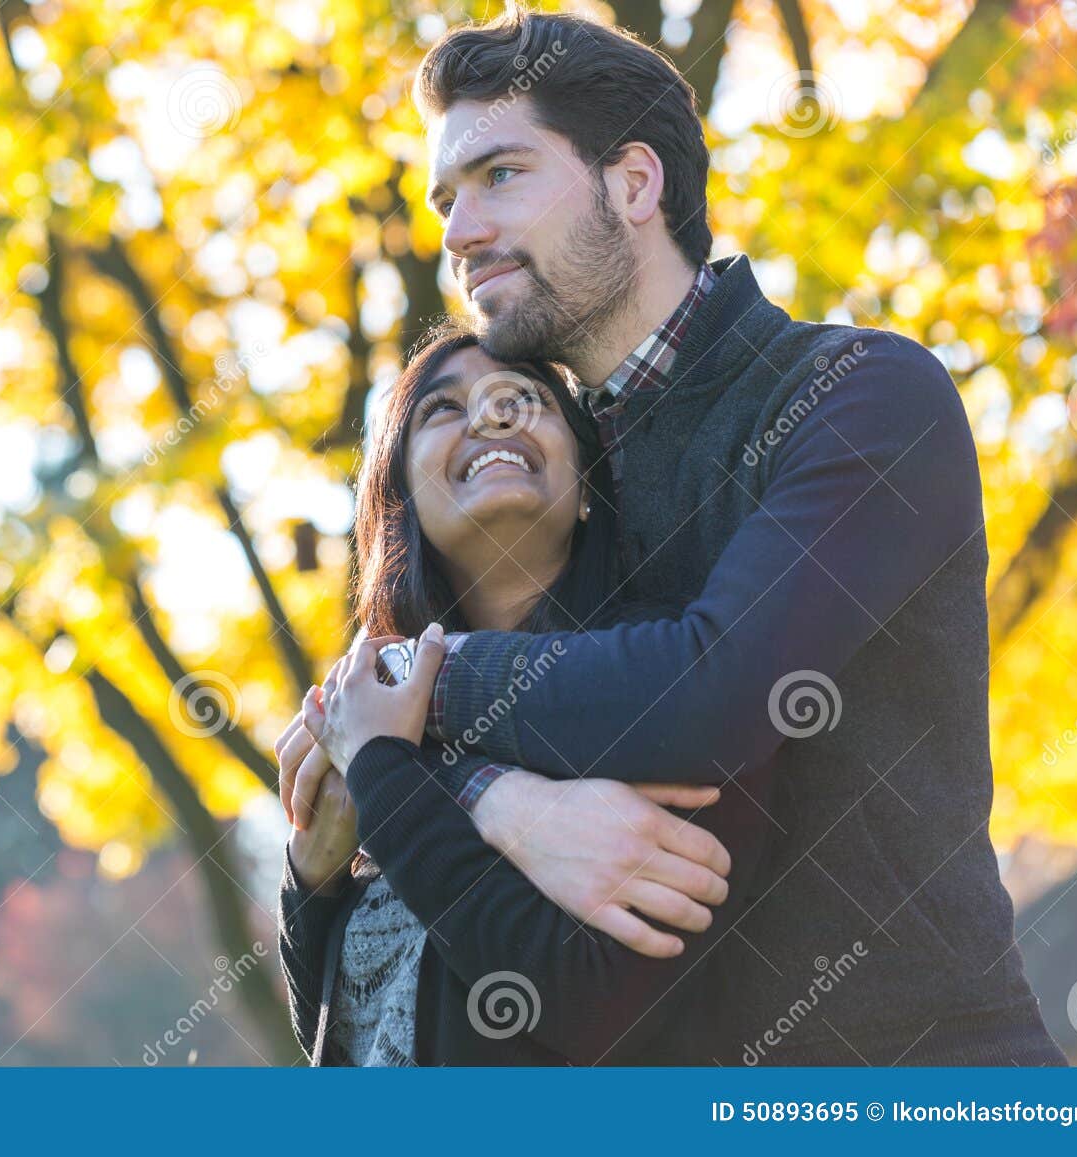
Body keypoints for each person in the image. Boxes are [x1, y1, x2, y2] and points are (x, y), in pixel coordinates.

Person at [280, 6, 1065, 1066]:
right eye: (444, 198)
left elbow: (710, 697)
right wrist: (474, 792)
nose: (457, 231)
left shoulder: (859, 399)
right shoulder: (573, 482)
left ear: (634, 184)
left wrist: (411, 705)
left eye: (500, 174)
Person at [278, 324, 768, 1065]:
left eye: (524, 397)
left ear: (585, 494)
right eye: (441, 409)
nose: (489, 415)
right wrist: (308, 883)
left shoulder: (656, 693)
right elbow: (343, 1027)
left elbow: (595, 1007)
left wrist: (390, 773)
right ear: (404, 500)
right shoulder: (373, 716)